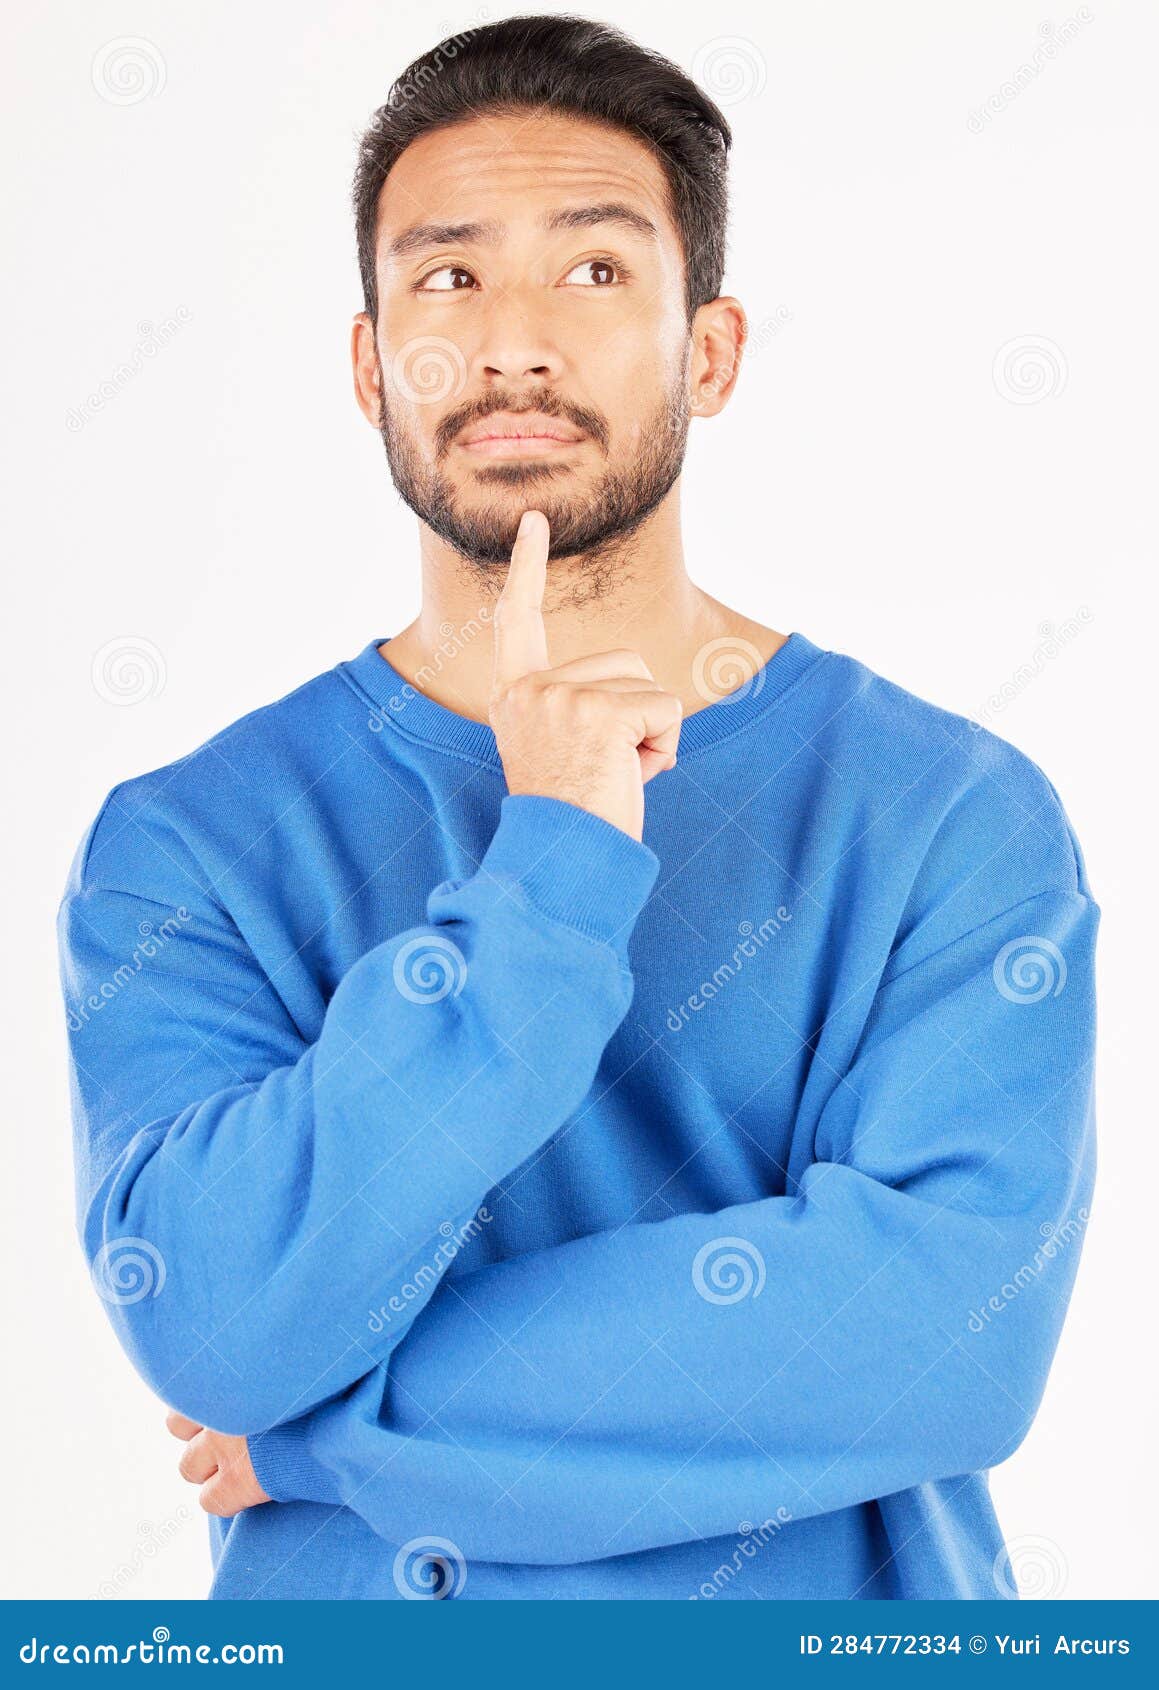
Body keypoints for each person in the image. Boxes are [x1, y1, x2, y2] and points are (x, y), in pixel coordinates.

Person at [59, 15, 1098, 1601]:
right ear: (367, 364)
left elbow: (946, 1333)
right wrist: (550, 865)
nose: (514, 343)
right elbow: (212, 1318)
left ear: (713, 352)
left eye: (598, 272)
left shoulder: (950, 811)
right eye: (448, 277)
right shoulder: (189, 846)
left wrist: (342, 1425)